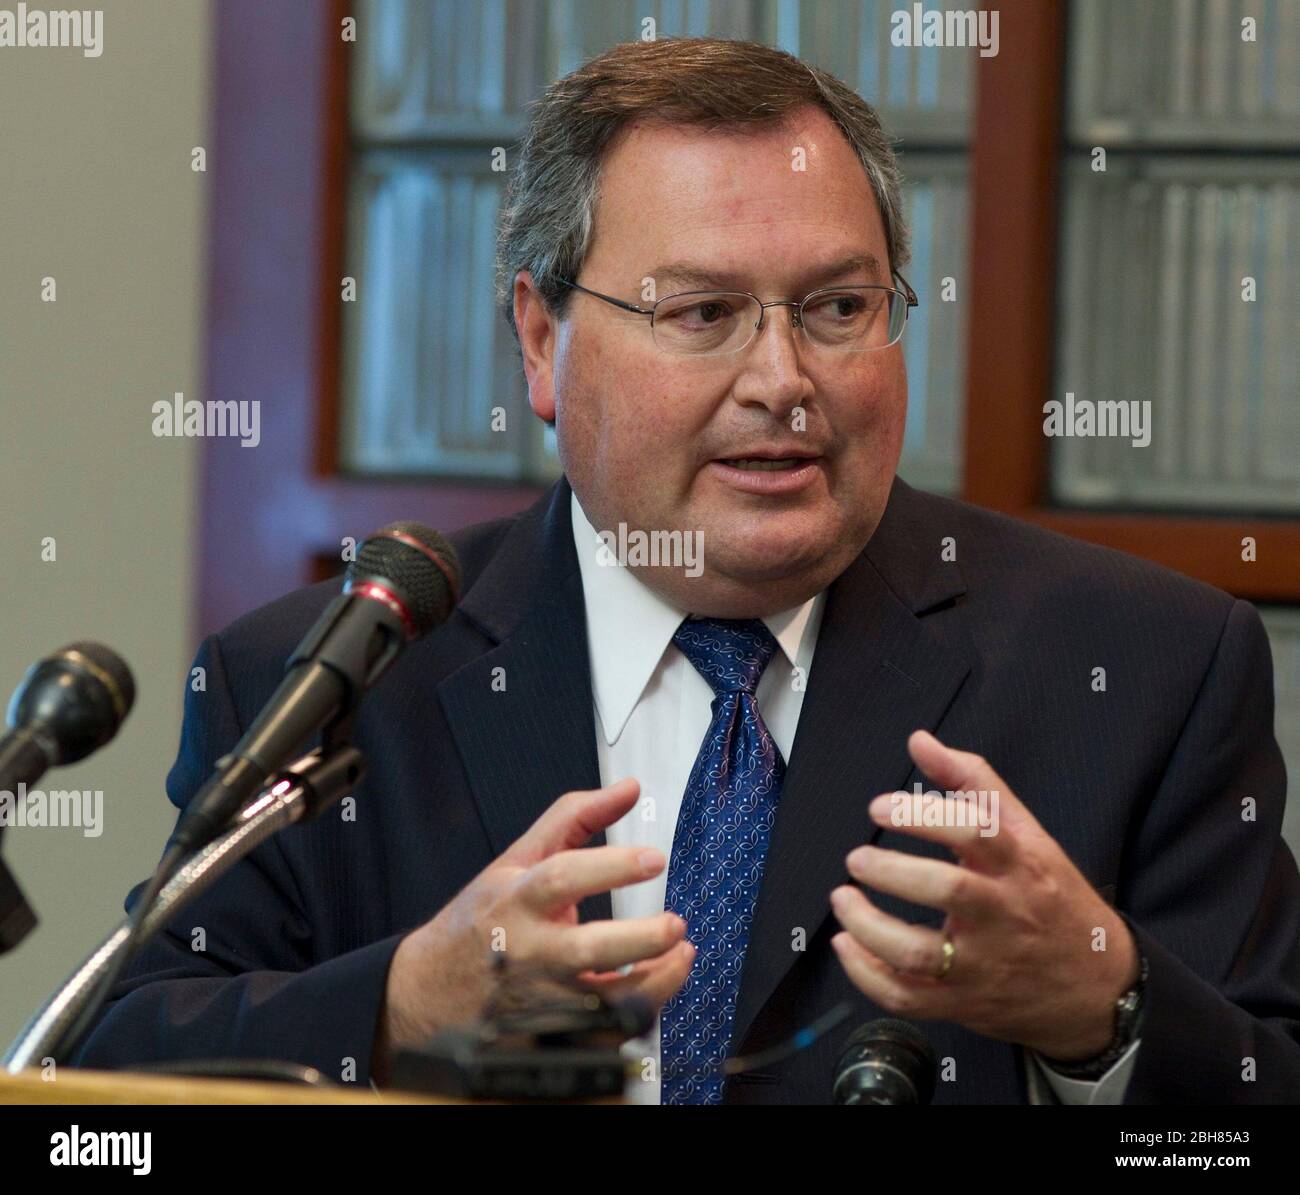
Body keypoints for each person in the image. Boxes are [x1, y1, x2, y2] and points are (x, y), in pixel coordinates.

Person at [76, 37, 1300, 1105]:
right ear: (542, 342)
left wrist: (1103, 1004)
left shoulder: (1141, 666)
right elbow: (103, 1087)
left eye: (834, 308)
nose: (783, 380)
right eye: (703, 313)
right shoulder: (328, 683)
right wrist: (398, 1006)